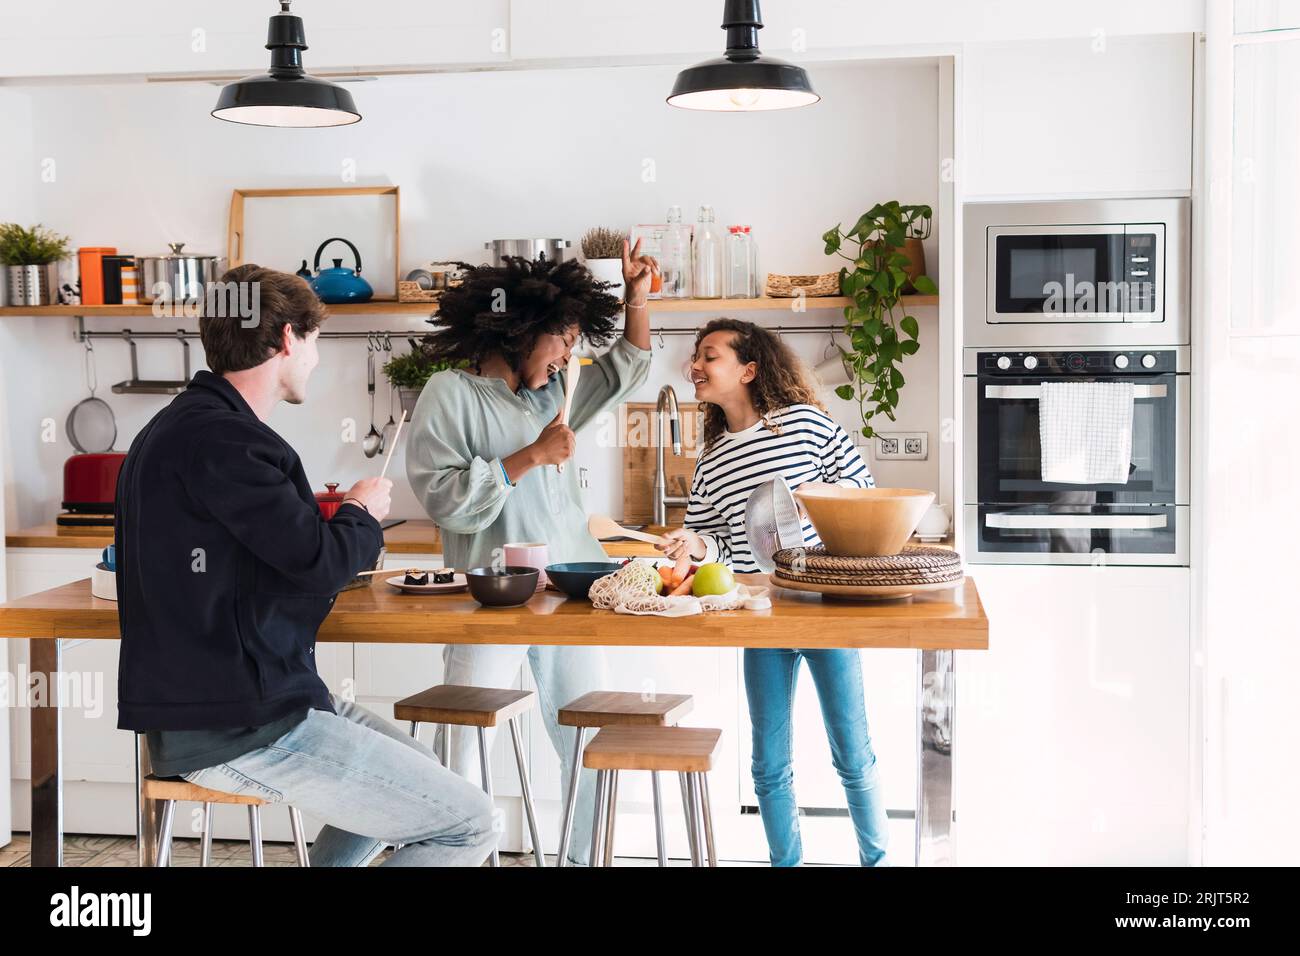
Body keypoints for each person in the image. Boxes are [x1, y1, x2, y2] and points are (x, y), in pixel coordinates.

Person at [115, 264, 497, 866]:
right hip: (240, 722)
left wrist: (343, 522)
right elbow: (319, 566)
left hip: (250, 702)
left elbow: (272, 558)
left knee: (428, 787)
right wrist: (361, 515)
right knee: (469, 825)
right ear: (289, 337)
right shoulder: (229, 441)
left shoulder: (181, 427)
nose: (317, 360)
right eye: (317, 342)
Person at [406, 243, 656, 865]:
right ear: (522, 330)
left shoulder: (555, 397)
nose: (572, 353)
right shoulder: (450, 393)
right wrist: (531, 457)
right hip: (492, 595)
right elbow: (446, 499)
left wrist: (638, 297)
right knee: (465, 743)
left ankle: (585, 858)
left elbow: (628, 366)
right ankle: (454, 855)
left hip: (571, 589)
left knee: (587, 734)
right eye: (564, 338)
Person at [658, 317, 889, 866]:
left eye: (709, 355)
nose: (696, 365)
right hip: (759, 611)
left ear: (749, 369)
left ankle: (877, 860)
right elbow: (713, 538)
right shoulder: (712, 458)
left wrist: (813, 505)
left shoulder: (805, 425)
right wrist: (692, 544)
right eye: (696, 355)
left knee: (853, 755)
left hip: (826, 608)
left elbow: (861, 490)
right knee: (768, 763)